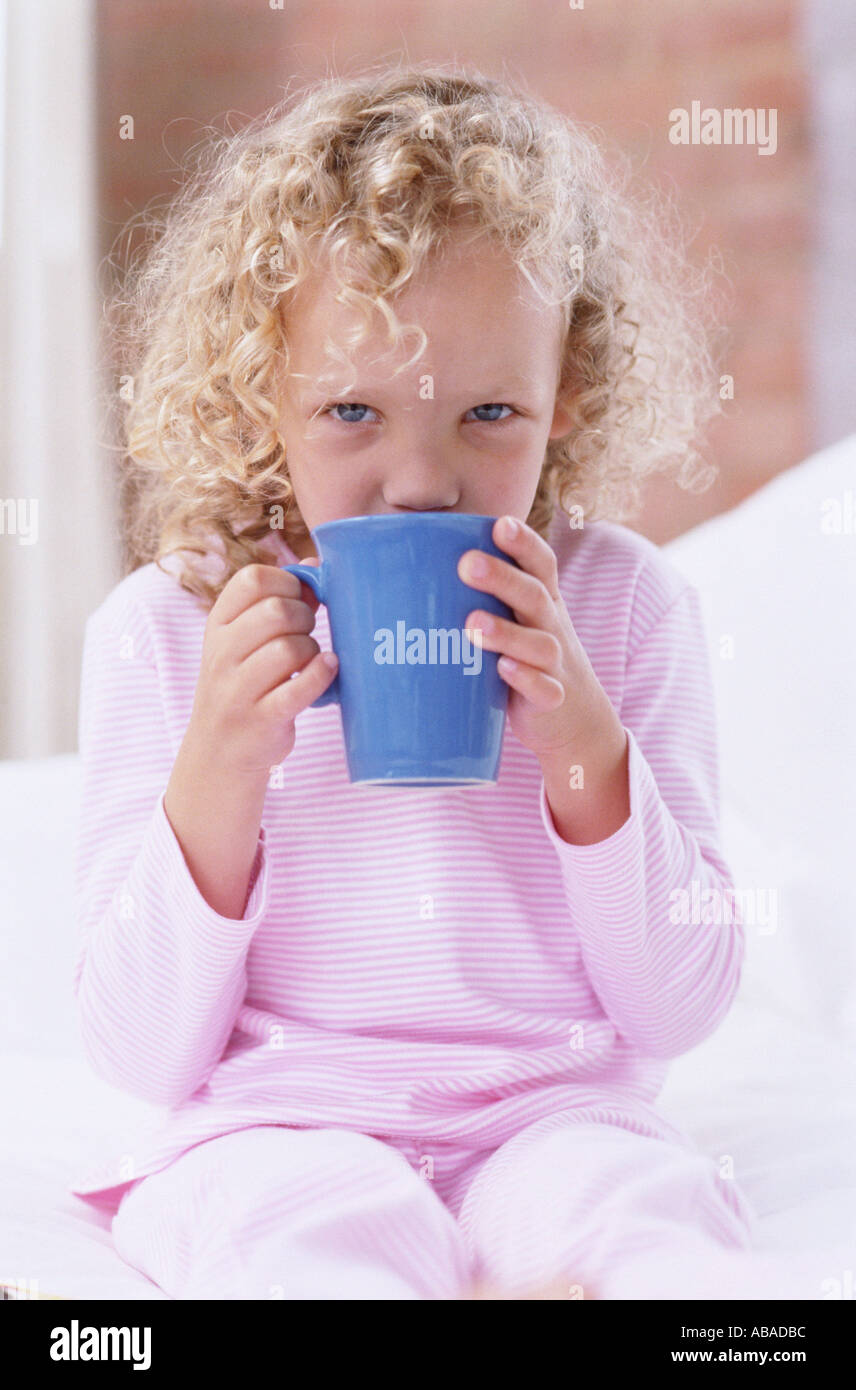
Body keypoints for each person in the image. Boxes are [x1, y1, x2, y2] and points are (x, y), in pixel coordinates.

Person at [69, 61, 823, 1300]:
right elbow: (140, 1052)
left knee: (637, 1219)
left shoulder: (627, 609)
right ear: (265, 391)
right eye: (354, 409)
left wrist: (584, 753)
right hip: (276, 1128)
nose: (421, 482)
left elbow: (679, 1010)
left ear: (565, 395)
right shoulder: (165, 632)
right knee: (283, 1236)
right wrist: (218, 773)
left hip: (554, 1120)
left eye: (486, 410)